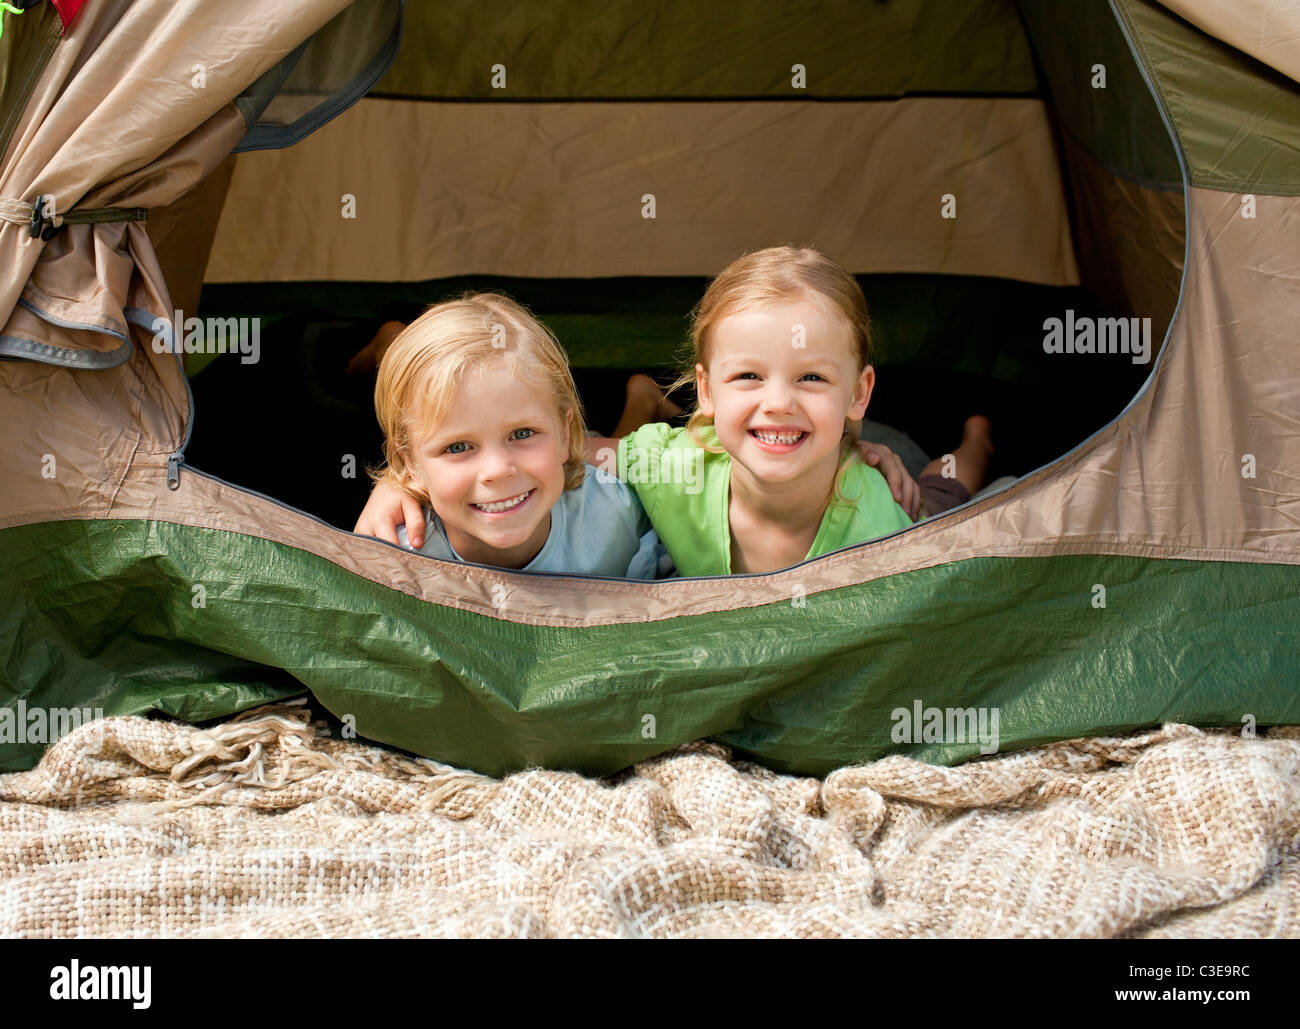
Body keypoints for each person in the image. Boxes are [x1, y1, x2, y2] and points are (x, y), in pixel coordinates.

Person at [583, 245, 993, 575]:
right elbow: (578, 451)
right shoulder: (678, 468)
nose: (778, 403)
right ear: (706, 391)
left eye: (811, 377)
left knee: (947, 490)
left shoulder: (881, 533)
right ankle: (645, 399)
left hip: (913, 501)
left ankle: (979, 439)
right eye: (749, 375)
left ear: (858, 393)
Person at [365, 293, 665, 577]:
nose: (497, 470)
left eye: (521, 433)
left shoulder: (613, 507)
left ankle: (641, 402)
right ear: (409, 464)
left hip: (589, 456)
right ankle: (388, 337)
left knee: (618, 453)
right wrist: (391, 484)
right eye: (457, 447)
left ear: (565, 434)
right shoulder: (403, 558)